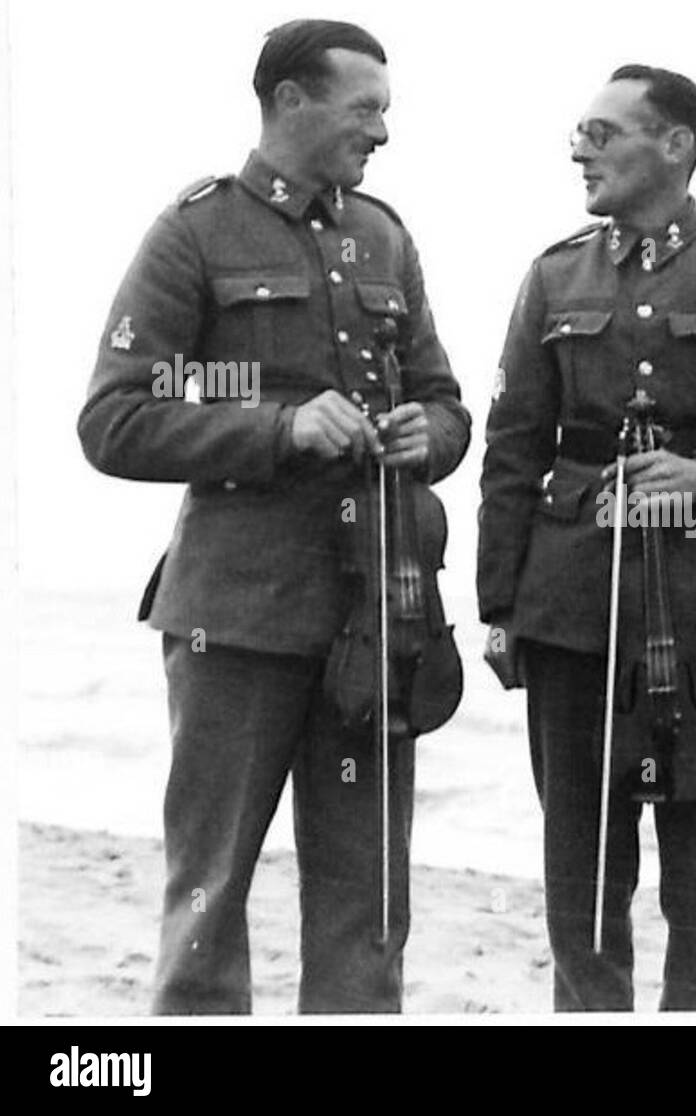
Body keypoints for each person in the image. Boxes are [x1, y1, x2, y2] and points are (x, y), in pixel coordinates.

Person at [77, 19, 471, 1014]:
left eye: (385, 110)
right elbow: (115, 419)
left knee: (367, 914)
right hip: (237, 622)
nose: (382, 131)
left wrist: (437, 431)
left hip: (377, 624)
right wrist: (278, 430)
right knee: (208, 903)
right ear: (289, 100)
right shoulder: (196, 232)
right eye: (365, 108)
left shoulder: (383, 235)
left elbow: (447, 397)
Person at [478, 64, 696, 1011]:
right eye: (579, 134)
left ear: (675, 144)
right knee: (582, 888)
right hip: (572, 614)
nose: (577, 149)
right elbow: (512, 451)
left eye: (602, 132)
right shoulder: (555, 274)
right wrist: (500, 610)